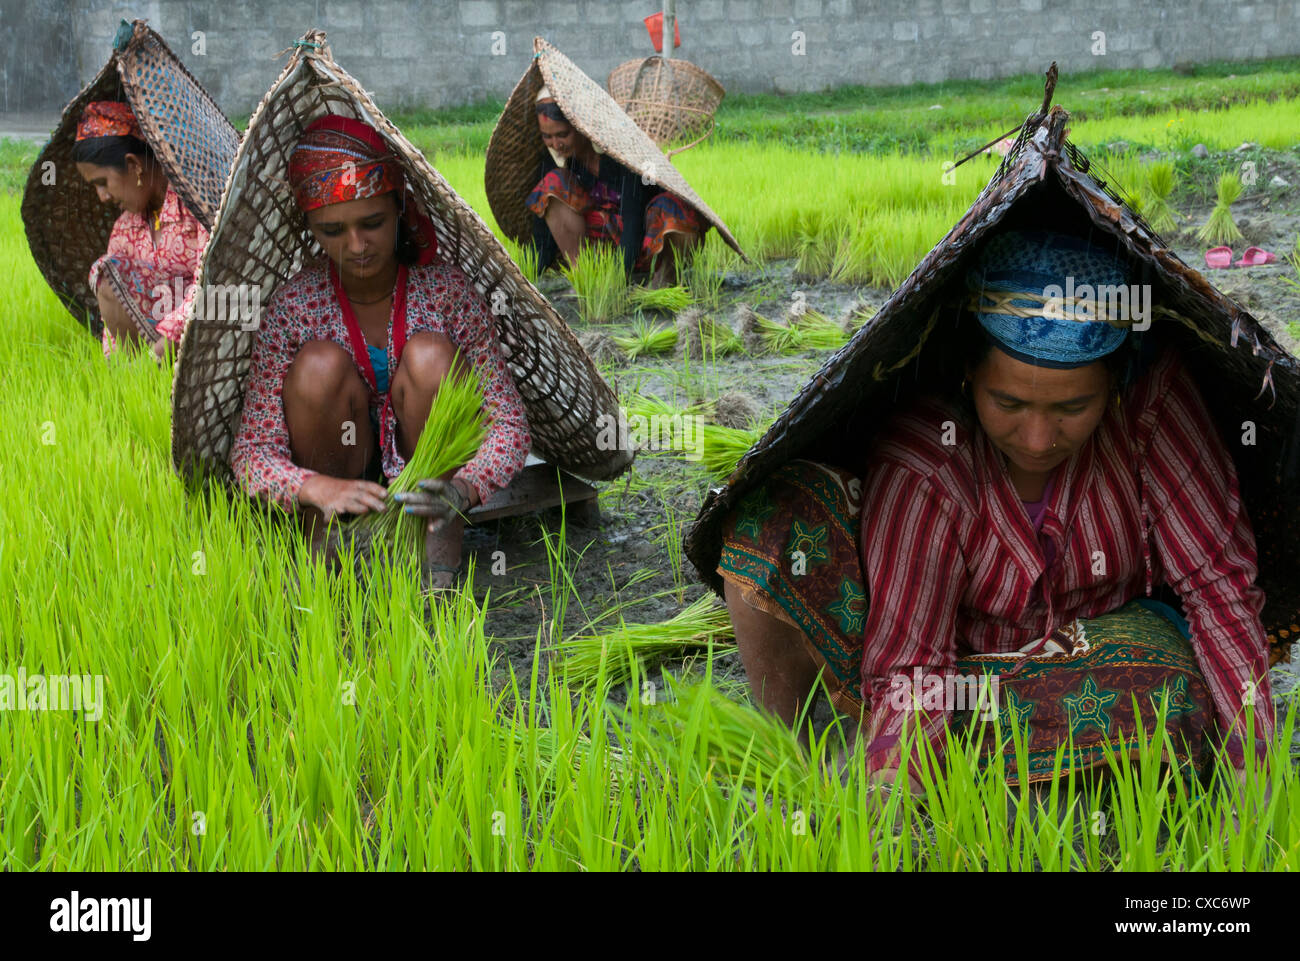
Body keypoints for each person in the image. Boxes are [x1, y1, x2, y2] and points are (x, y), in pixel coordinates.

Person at [720, 229, 1274, 793]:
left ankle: (934, 759)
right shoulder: (929, 458)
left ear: (1115, 382)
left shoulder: (1152, 407)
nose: (1036, 439)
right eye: (1008, 403)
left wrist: (1253, 775)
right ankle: (811, 758)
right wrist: (894, 798)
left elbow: (1218, 588)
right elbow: (912, 663)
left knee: (1170, 688)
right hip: (951, 676)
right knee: (775, 524)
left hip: (1093, 656)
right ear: (969, 373)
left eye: (1072, 407)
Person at [229, 116, 531, 586]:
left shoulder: (445, 293)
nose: (356, 245)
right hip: (340, 463)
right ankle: (324, 543)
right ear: (310, 227)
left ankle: (436, 537)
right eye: (333, 231)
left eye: (372, 223)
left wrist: (464, 488)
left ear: (400, 210)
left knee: (431, 357)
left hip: (428, 476)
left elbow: (508, 421)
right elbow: (252, 451)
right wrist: (315, 487)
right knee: (317, 367)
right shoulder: (295, 307)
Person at [526, 86, 702, 287]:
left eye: (562, 134)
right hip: (604, 254)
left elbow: (633, 225)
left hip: (647, 246)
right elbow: (543, 239)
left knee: (672, 205)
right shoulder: (568, 166)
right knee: (552, 182)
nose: (555, 144)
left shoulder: (626, 160)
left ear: (581, 127)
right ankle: (584, 277)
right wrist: (525, 277)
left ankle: (663, 281)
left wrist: (615, 284)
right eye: (547, 137)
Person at [72, 100, 207, 359]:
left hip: (207, 335)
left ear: (134, 166)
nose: (103, 197)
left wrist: (158, 354)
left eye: (103, 183)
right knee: (108, 275)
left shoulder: (196, 207)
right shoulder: (125, 228)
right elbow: (111, 324)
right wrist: (122, 374)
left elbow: (209, 287)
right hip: (152, 359)